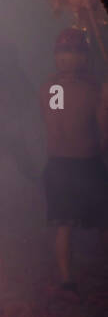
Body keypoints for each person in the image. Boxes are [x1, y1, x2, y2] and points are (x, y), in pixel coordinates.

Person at [41, 28, 108, 297]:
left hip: (90, 163)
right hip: (62, 166)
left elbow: (102, 128)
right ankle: (67, 279)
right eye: (63, 52)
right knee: (64, 223)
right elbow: (55, 122)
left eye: (74, 51)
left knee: (104, 221)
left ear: (84, 57)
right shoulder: (55, 87)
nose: (68, 58)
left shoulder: (94, 87)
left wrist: (103, 104)